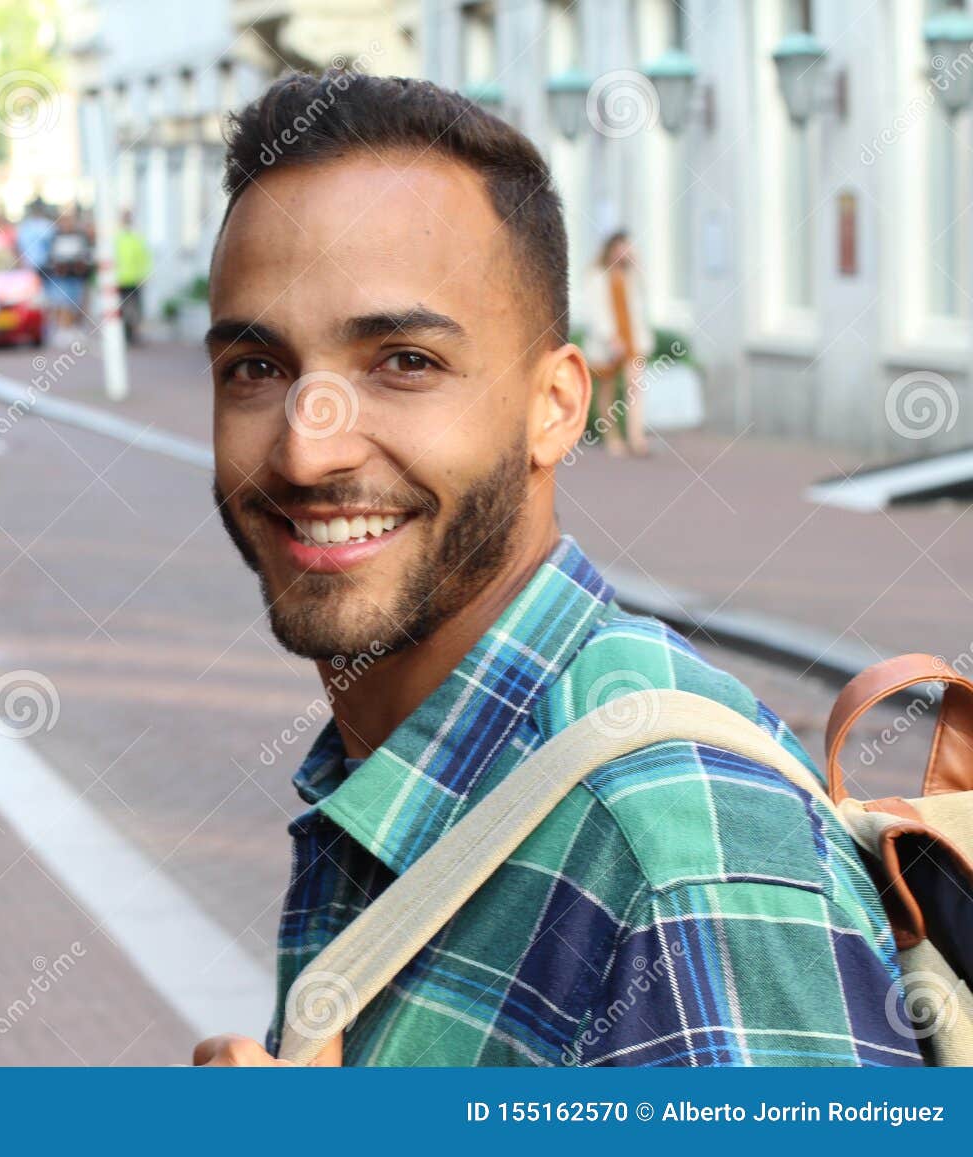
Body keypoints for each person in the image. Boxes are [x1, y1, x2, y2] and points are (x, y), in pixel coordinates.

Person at [196, 72, 917, 1068]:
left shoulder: (672, 859)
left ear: (556, 406)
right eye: (256, 368)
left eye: (402, 361)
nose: (305, 451)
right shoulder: (400, 766)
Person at [585, 230, 654, 457]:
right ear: (610, 249)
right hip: (608, 344)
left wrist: (638, 262)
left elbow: (647, 292)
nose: (623, 252)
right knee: (607, 391)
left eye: (626, 247)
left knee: (635, 388)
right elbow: (597, 312)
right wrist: (611, 338)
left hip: (633, 342)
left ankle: (637, 439)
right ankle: (612, 438)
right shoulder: (597, 275)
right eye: (619, 247)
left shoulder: (631, 275)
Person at [43, 209, 93, 332]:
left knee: (76, 303)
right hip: (61, 276)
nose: (66, 224)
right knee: (62, 302)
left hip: (76, 276)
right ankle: (63, 329)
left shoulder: (80, 236)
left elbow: (86, 254)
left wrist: (81, 266)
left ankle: (74, 327)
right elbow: (51, 256)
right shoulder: (55, 236)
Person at [114, 210, 153, 344]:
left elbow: (144, 258)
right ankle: (125, 334)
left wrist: (144, 275)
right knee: (122, 309)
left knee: (135, 309)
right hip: (119, 280)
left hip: (135, 279)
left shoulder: (137, 238)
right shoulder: (116, 238)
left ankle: (134, 334)